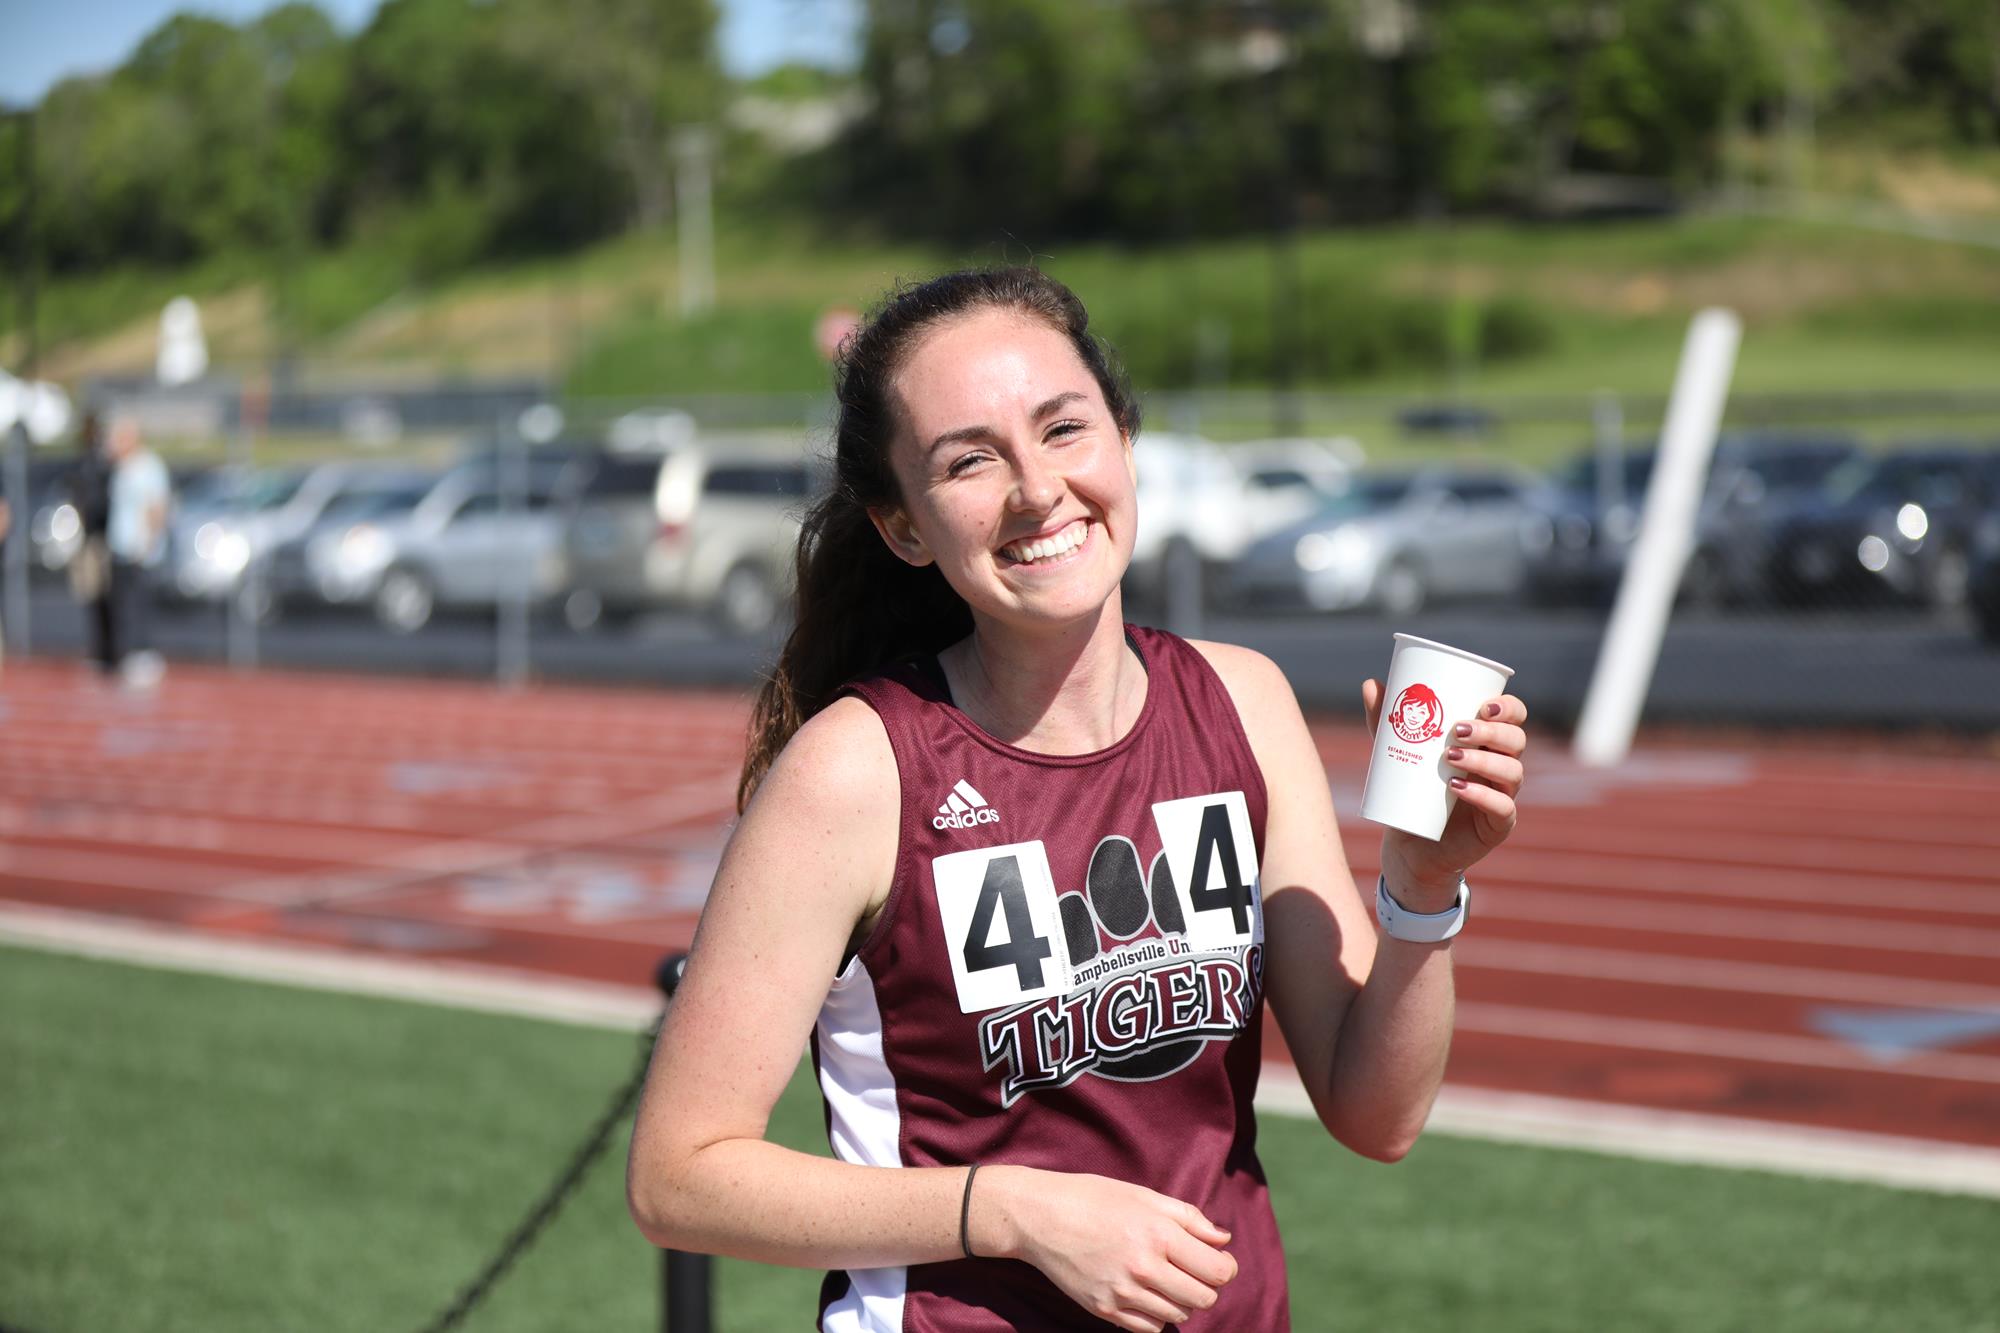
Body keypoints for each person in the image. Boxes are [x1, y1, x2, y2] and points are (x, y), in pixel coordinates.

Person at [626, 269, 1529, 1332]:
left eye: (1063, 429)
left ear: (1123, 440)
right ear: (906, 527)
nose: (1036, 489)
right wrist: (1008, 1210)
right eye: (968, 459)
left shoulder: (1242, 701)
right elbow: (677, 1177)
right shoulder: (855, 771)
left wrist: (1420, 891)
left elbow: (1377, 1115)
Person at [101, 413, 170, 686]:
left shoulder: (148, 467)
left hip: (139, 549)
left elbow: (157, 507)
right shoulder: (121, 468)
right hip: (119, 547)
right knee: (121, 605)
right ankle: (126, 654)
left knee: (138, 605)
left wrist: (148, 543)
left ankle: (143, 656)